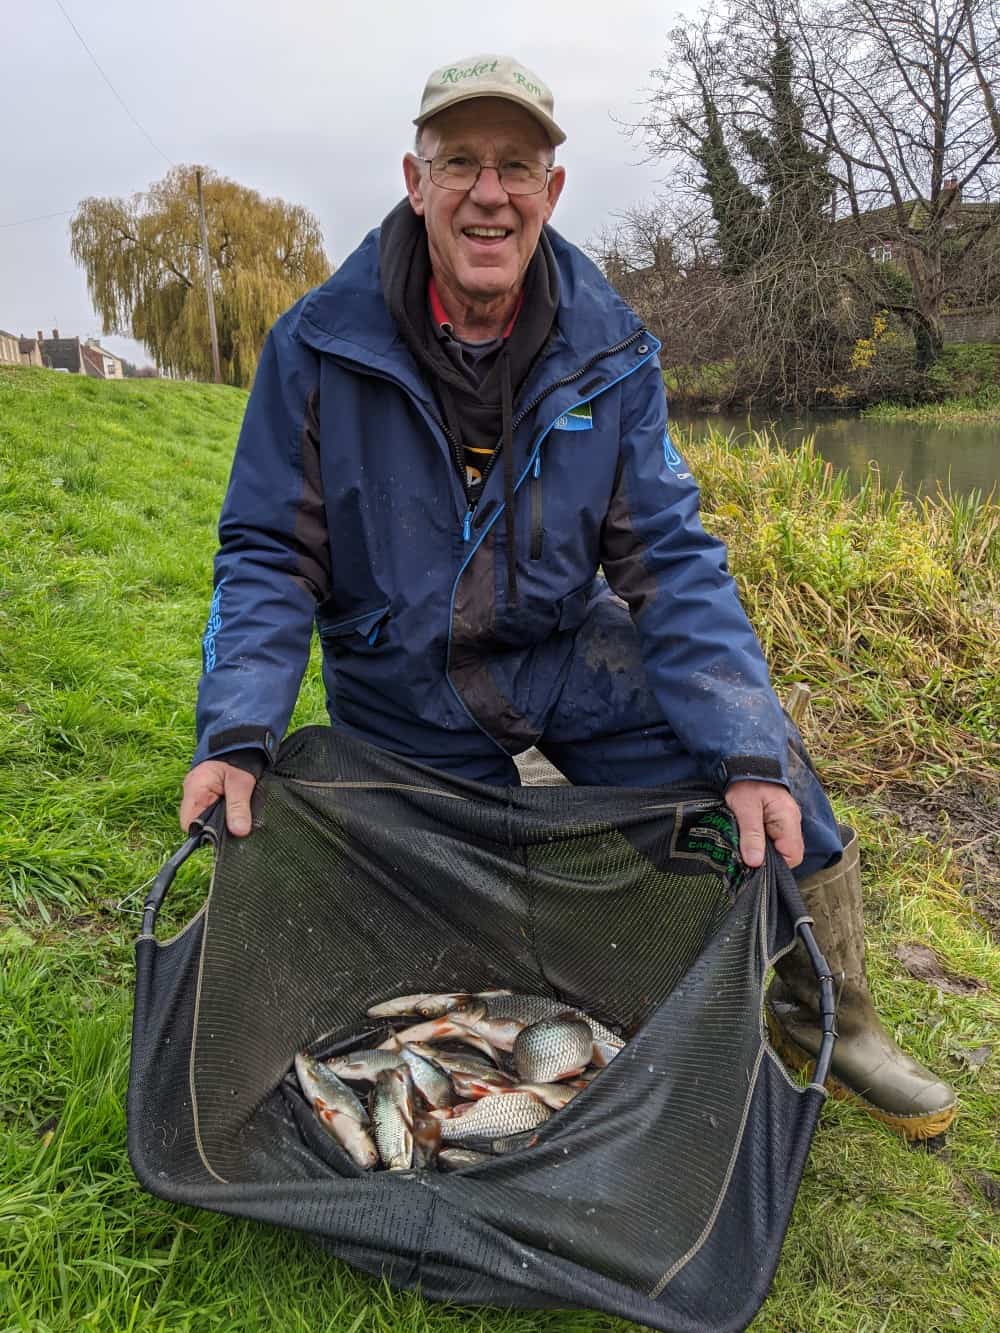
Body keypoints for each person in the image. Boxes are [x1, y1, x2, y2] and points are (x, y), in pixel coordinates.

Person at [179, 54, 954, 1140]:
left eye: (514, 166)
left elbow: (672, 562)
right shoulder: (315, 345)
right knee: (439, 942)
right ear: (416, 179)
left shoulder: (612, 350)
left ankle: (830, 1015)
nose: (486, 193)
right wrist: (239, 726)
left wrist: (741, 745)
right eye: (460, 163)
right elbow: (267, 552)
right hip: (400, 680)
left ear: (550, 187)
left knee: (769, 766)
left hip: (558, 655)